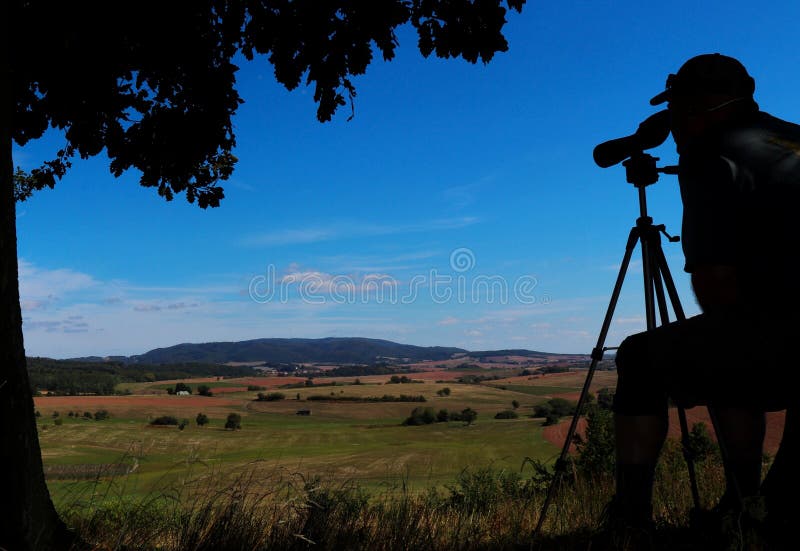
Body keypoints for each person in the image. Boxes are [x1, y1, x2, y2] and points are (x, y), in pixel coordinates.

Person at [599, 53, 800, 549]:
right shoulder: (790, 137)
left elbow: (718, 293)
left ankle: (635, 519)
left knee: (640, 357)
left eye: (678, 112)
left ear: (696, 107)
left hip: (786, 337)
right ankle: (746, 506)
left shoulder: (711, 158)